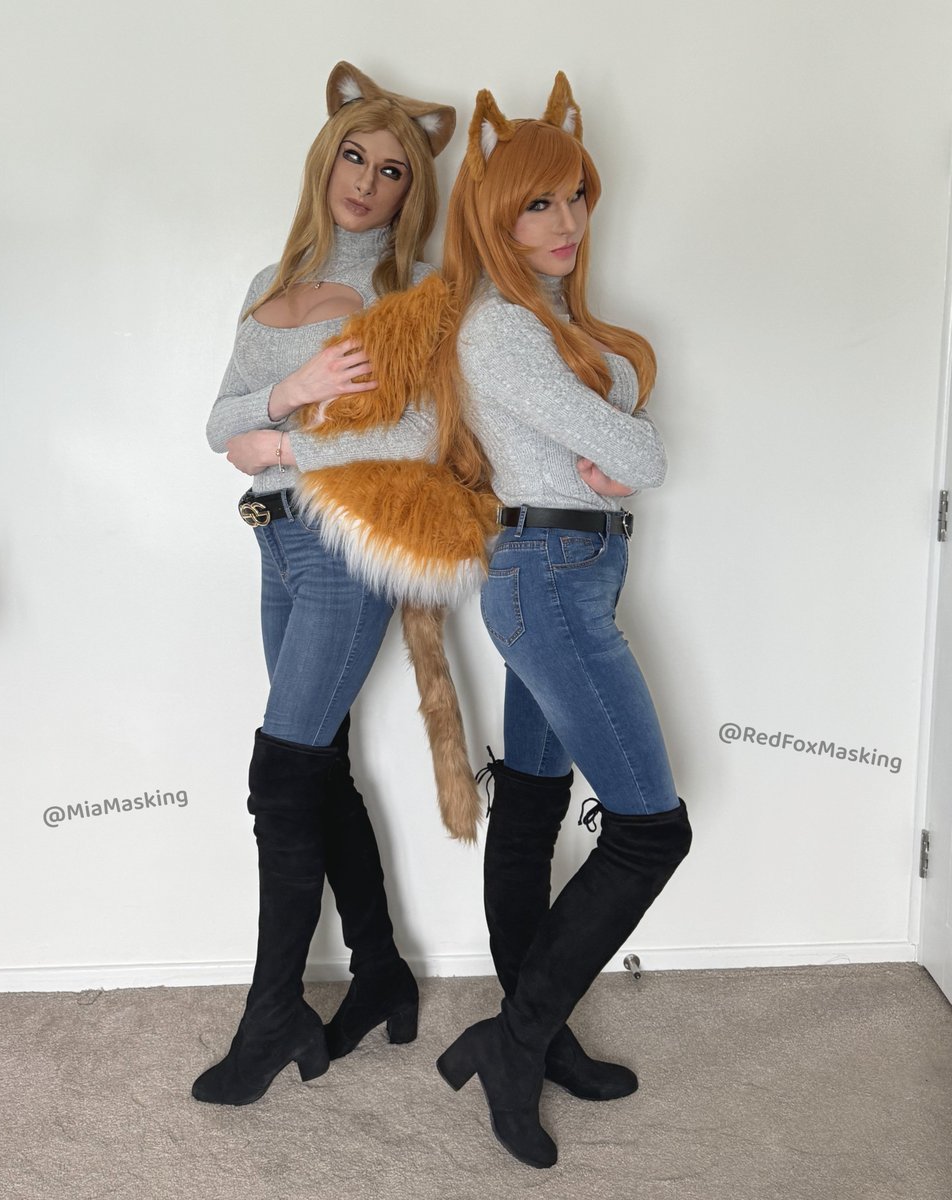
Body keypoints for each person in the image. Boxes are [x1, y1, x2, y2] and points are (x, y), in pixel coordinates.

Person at [431, 75, 693, 1167]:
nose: (567, 219)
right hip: (546, 574)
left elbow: (623, 454)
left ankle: (530, 1036)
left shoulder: (553, 326)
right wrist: (623, 449)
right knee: (651, 831)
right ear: (496, 211)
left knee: (535, 805)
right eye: (539, 202)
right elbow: (643, 456)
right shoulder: (501, 332)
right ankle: (516, 1041)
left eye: (576, 196)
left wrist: (616, 451)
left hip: (566, 571)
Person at [192, 62, 457, 1106]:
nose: (368, 182)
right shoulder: (273, 280)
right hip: (275, 548)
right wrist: (294, 389)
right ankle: (382, 972)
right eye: (355, 156)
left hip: (346, 552)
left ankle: (274, 1015)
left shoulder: (410, 290)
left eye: (393, 171)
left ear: (410, 191)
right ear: (326, 159)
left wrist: (281, 443)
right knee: (316, 769)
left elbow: (420, 435)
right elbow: (219, 423)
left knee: (279, 775)